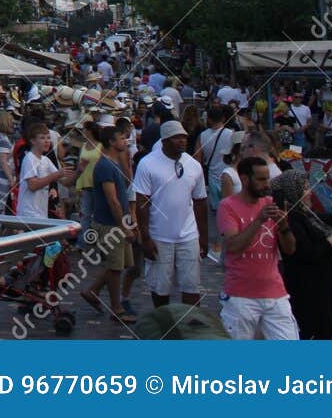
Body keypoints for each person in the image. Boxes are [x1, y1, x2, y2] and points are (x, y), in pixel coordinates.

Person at [217, 156, 297, 339]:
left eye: (267, 178)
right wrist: (259, 220)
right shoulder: (228, 206)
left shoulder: (272, 204)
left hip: (275, 294)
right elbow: (233, 246)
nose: (266, 184)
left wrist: (284, 227)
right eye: (260, 179)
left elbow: (290, 250)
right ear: (245, 179)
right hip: (240, 296)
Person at [132, 119, 208, 309]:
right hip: (159, 236)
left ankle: (190, 326)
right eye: (176, 138)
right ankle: (163, 324)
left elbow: (200, 202)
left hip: (188, 235)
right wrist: (145, 237)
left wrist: (204, 237)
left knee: (191, 285)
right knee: (160, 287)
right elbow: (142, 203)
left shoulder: (194, 165)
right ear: (165, 141)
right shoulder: (147, 164)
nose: (182, 141)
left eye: (184, 137)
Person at [272, 168, 332, 339]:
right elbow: (307, 254)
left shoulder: (304, 214)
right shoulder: (292, 219)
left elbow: (326, 219)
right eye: (305, 188)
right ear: (294, 191)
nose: (309, 192)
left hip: (320, 286)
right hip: (307, 288)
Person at [78, 125, 136, 322]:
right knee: (116, 268)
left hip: (116, 223)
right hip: (110, 225)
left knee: (117, 265)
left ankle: (92, 291)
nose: (124, 141)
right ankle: (116, 309)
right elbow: (112, 200)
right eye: (121, 137)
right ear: (111, 141)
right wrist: (123, 226)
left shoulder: (114, 163)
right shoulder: (104, 166)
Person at [195, 105, 233, 261]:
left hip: (212, 177)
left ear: (209, 119)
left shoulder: (202, 136)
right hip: (229, 175)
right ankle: (224, 240)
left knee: (217, 211)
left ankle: (217, 243)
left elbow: (197, 160)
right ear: (223, 118)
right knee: (230, 209)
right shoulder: (232, 135)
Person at [17, 122, 73, 221]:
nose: (47, 141)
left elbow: (65, 182)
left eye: (48, 138)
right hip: (28, 214)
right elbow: (32, 185)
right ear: (33, 141)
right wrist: (56, 175)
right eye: (42, 138)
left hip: (41, 214)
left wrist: (80, 171)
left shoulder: (45, 160)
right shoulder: (29, 159)